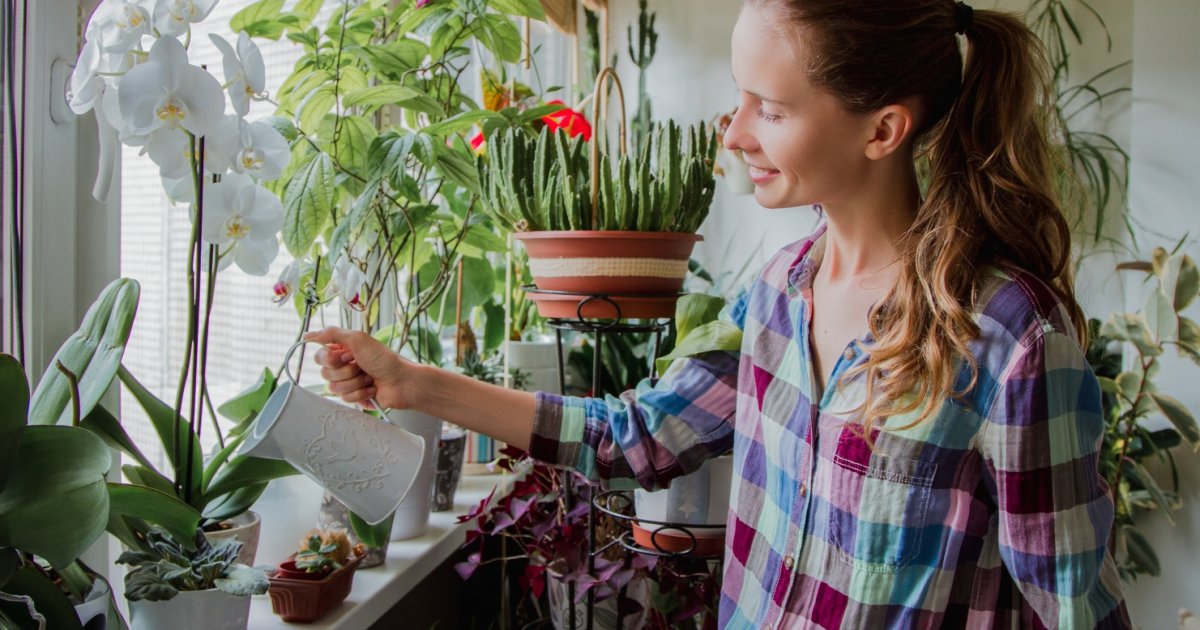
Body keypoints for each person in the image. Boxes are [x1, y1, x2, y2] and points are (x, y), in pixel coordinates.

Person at [307, 0, 1132, 627]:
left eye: (771, 109)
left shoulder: (1009, 343)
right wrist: (414, 384)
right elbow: (634, 436)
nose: (733, 133)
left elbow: (1071, 609)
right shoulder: (777, 292)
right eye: (741, 100)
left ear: (883, 130)